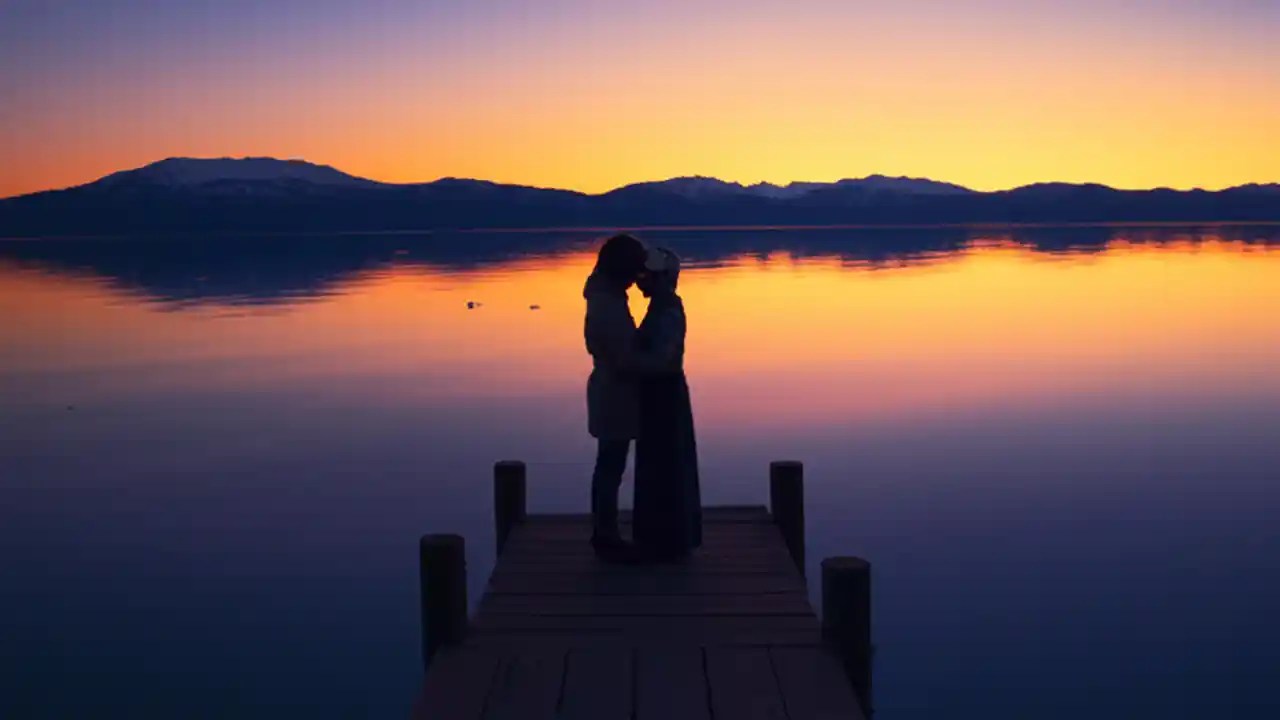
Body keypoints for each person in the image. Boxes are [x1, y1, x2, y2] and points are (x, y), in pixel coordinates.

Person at [630, 246, 702, 561]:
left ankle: (668, 539)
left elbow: (665, 359)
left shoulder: (668, 310)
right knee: (660, 463)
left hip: (665, 394)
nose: (639, 280)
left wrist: (627, 361)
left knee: (667, 462)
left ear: (662, 278)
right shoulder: (661, 307)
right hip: (658, 392)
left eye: (645, 275)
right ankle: (662, 536)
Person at [583, 233, 647, 559]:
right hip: (614, 394)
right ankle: (606, 535)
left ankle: (605, 531)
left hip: (612, 391)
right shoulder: (607, 304)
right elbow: (621, 354)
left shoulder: (606, 298)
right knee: (610, 465)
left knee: (609, 464)